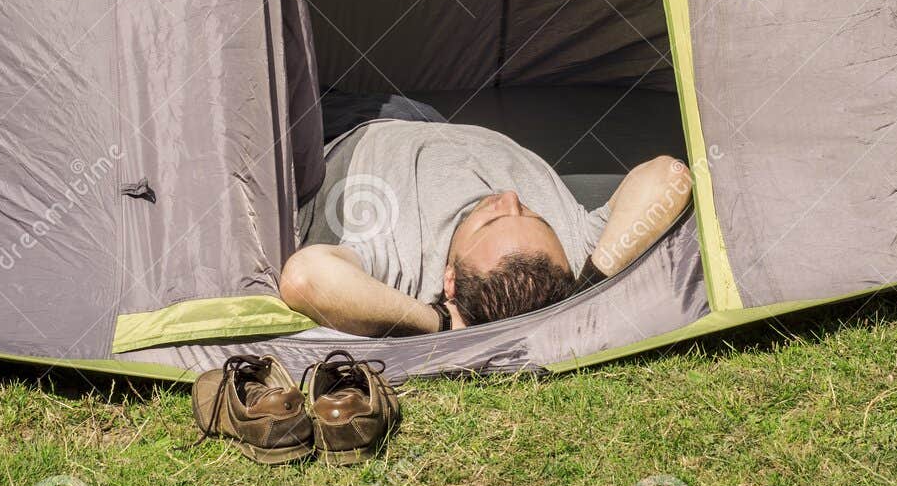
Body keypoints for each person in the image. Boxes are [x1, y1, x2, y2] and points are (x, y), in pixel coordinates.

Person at [279, 119, 691, 337]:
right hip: (433, 118)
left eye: (491, 219)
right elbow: (670, 175)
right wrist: (593, 279)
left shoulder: (403, 262)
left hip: (345, 130)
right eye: (532, 214)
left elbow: (303, 278)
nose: (510, 198)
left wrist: (435, 321)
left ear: (450, 282)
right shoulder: (567, 254)